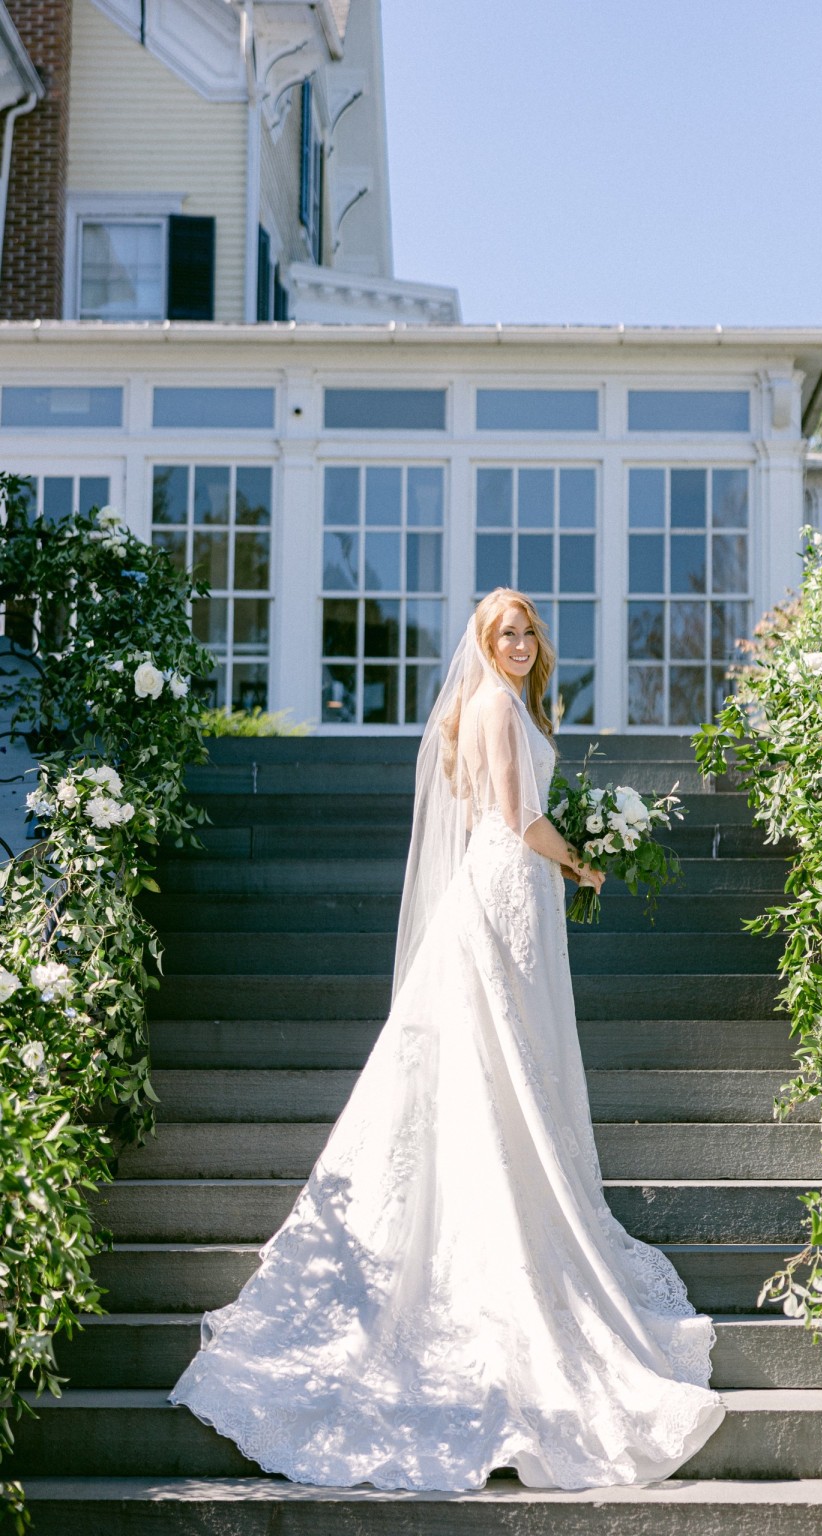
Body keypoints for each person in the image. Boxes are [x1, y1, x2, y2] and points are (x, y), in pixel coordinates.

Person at [169, 587, 725, 1490]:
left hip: (498, 888)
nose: (517, 643)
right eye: (504, 632)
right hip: (506, 892)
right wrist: (585, 861)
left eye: (527, 631)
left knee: (496, 1069)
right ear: (483, 641)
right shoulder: (500, 708)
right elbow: (516, 819)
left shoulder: (492, 706)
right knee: (502, 1060)